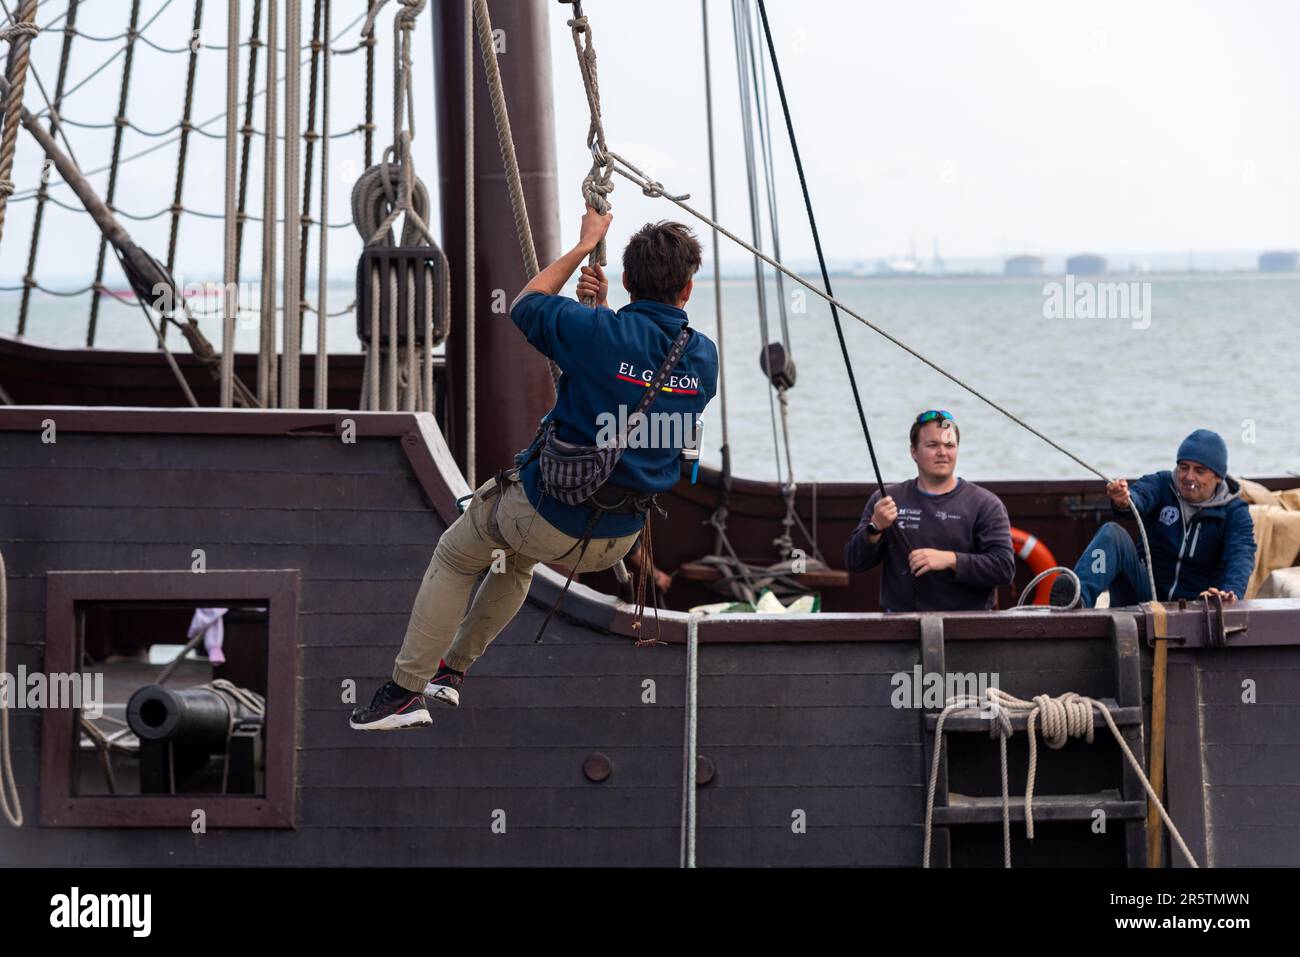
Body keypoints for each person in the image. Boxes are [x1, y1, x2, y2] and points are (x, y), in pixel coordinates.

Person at [350, 209, 719, 730]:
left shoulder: (594, 333)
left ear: (630, 281)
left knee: (458, 555)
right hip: (617, 540)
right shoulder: (702, 357)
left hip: (549, 515)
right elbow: (641, 383)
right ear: (687, 290)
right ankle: (450, 673)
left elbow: (526, 304)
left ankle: (405, 691)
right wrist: (604, 312)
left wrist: (582, 246)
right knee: (514, 564)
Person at [1052, 429, 1256, 608]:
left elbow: (1241, 555)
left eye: (1199, 471)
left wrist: (1231, 592)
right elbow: (1138, 499)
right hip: (1143, 597)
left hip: (1195, 607)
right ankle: (1076, 601)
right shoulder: (1161, 483)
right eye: (1184, 467)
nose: (1188, 476)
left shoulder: (1235, 511)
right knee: (1112, 533)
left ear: (1218, 477)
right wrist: (1123, 500)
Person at [843, 410, 1015, 612]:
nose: (942, 452)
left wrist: (950, 560)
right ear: (914, 452)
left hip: (968, 624)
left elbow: (1004, 568)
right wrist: (875, 527)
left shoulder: (985, 504)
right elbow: (854, 562)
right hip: (900, 624)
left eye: (949, 445)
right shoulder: (887, 499)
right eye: (933, 445)